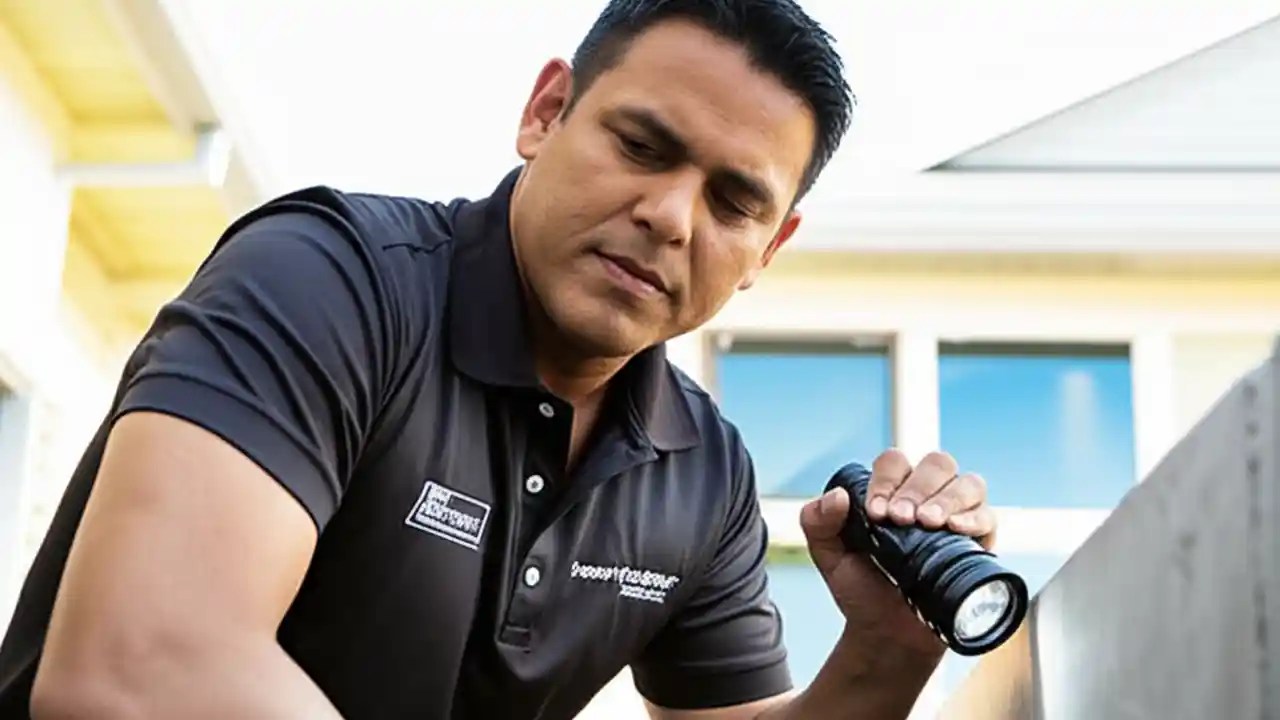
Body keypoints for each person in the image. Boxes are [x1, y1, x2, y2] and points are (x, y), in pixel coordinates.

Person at [0, 1, 999, 717]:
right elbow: (139, 670)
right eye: (641, 146)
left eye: (732, 203)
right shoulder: (326, 282)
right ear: (545, 113)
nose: (666, 216)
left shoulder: (702, 475)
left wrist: (881, 655)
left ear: (766, 251)